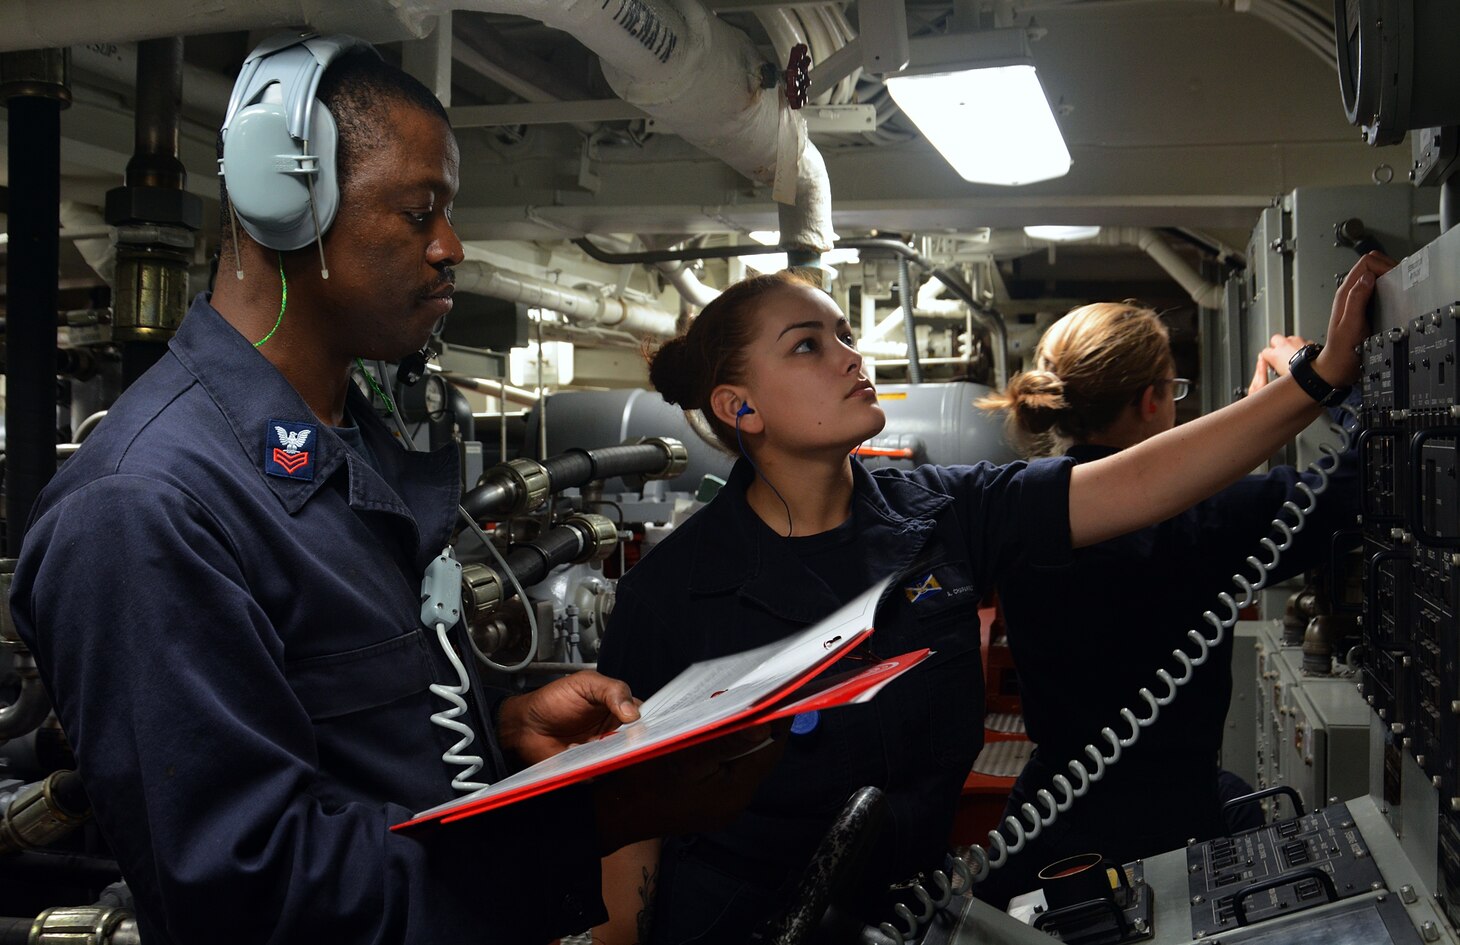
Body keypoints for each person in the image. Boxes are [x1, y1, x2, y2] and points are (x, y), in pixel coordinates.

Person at [9, 36, 778, 945]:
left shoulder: (350, 449)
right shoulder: (146, 507)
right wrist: (593, 820)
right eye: (420, 212)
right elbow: (250, 895)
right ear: (282, 201)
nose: (451, 247)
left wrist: (501, 733)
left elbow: (363, 754)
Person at [591, 254, 1389, 944]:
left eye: (842, 332)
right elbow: (628, 826)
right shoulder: (670, 592)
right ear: (741, 408)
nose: (848, 354)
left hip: (912, 912)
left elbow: (1140, 480)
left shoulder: (945, 511)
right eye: (809, 344)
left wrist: (1313, 384)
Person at [972, 304, 1369, 907]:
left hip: (1045, 825)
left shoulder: (1016, 511)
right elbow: (1365, 475)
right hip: (1164, 832)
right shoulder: (1201, 523)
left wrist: (1249, 423)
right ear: (1154, 400)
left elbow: (1159, 481)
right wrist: (1312, 375)